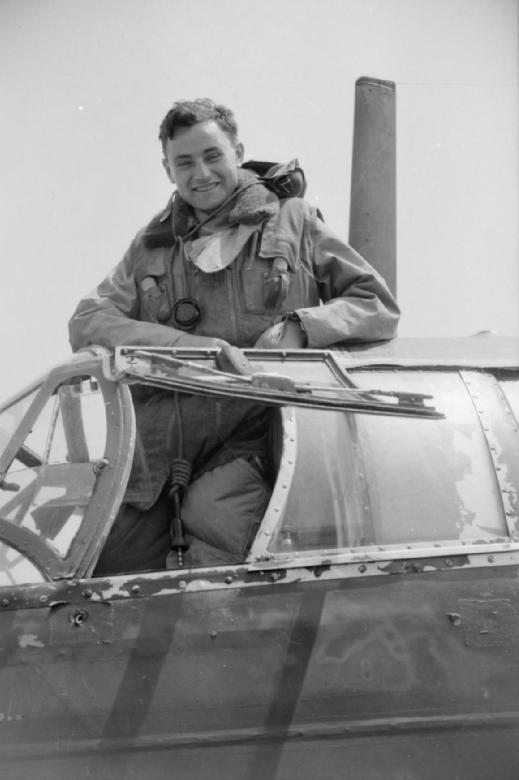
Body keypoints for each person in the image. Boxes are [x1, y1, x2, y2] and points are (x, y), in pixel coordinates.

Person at [68, 98, 400, 574]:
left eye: (213, 156)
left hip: (263, 442)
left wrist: (302, 328)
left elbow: (376, 304)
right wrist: (193, 351)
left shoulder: (294, 220)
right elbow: (88, 320)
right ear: (167, 169)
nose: (200, 173)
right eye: (184, 162)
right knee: (99, 569)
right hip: (162, 459)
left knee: (218, 524)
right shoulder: (150, 247)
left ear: (238, 152)